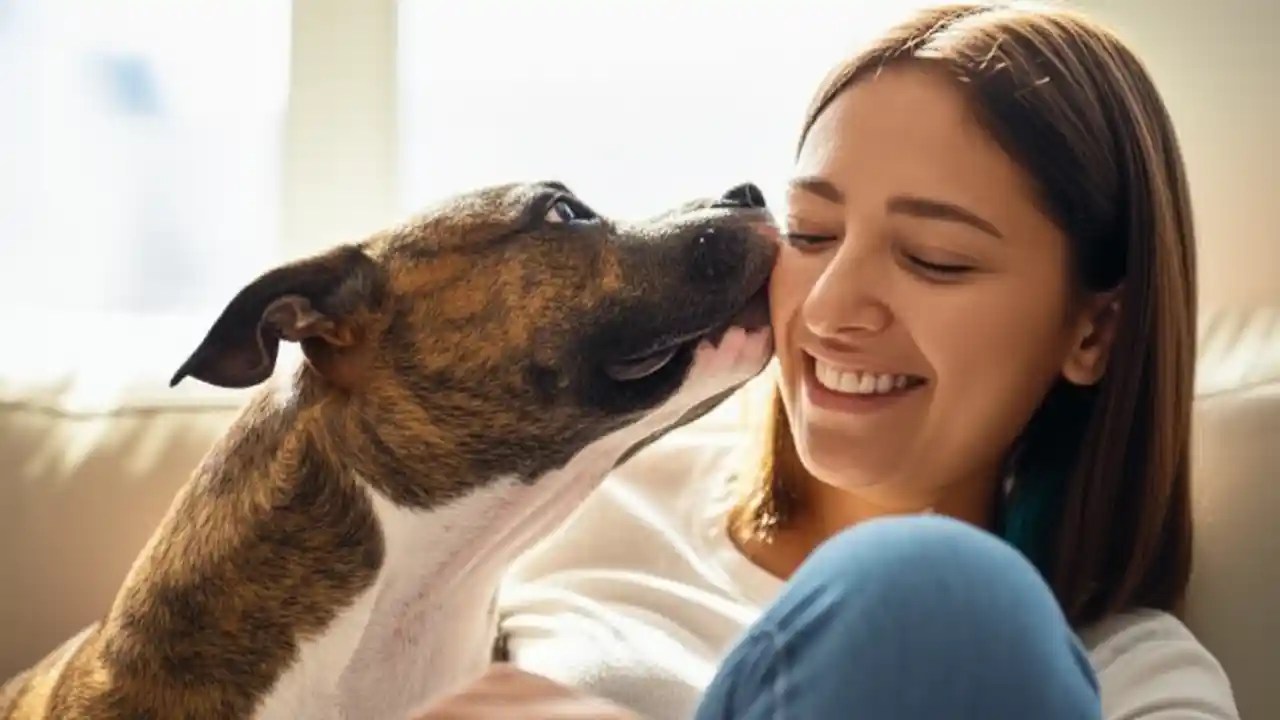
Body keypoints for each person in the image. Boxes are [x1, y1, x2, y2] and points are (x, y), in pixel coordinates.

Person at [415, 2, 1240, 718]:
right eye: (810, 234)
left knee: (941, 591)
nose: (829, 307)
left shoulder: (1135, 678)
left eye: (934, 259)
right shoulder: (586, 498)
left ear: (1094, 333)